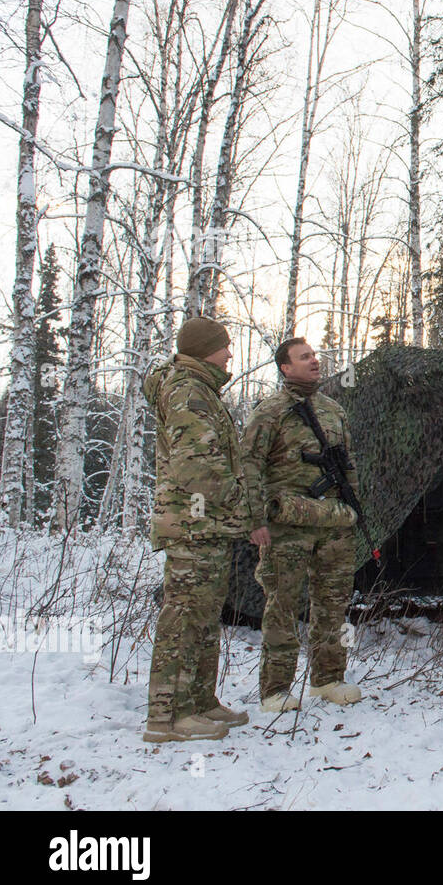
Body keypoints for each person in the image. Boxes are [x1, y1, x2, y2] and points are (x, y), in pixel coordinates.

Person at [143, 317, 253, 742]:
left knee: (205, 618)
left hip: (206, 525)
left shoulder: (200, 389)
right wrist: (242, 504)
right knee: (184, 618)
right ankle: (168, 717)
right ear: (205, 349)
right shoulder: (189, 393)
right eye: (224, 347)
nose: (229, 354)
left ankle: (199, 702)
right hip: (193, 525)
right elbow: (198, 468)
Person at [243, 338, 362, 712]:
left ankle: (328, 679)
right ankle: (275, 689)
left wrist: (354, 512)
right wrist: (255, 518)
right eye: (304, 357)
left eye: (314, 355)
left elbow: (348, 468)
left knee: (333, 604)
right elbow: (248, 466)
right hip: (287, 526)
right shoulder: (270, 412)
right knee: (282, 605)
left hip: (333, 524)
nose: (314, 361)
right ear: (285, 367)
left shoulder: (333, 410)